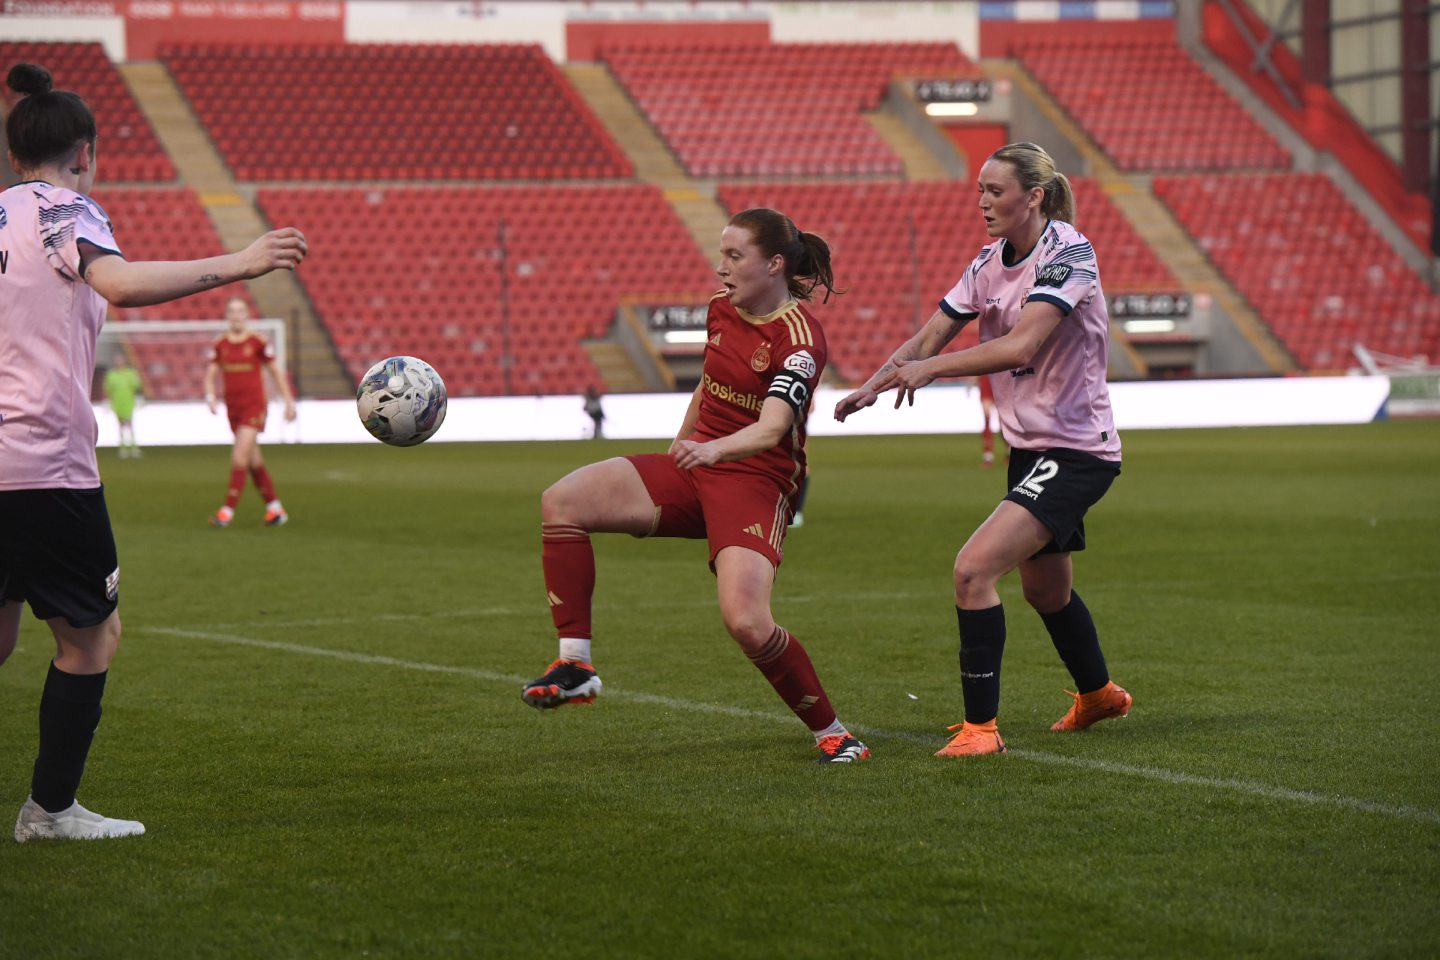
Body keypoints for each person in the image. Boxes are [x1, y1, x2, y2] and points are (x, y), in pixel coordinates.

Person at [1, 63, 307, 841]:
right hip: (44, 463)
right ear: (89, 152)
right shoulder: (67, 211)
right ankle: (51, 810)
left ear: (12, 157)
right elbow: (122, 285)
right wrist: (240, 263)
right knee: (92, 636)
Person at [523, 208, 868, 764]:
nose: (721, 267)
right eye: (721, 255)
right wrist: (681, 447)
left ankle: (834, 733)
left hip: (755, 481)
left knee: (748, 623)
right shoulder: (719, 310)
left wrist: (711, 451)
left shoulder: (800, 339)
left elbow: (773, 427)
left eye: (735, 257)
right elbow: (707, 387)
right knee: (563, 501)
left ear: (774, 263)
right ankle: (575, 664)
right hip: (695, 467)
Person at [835, 142, 1130, 757]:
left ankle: (981, 730)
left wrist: (935, 370)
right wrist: (875, 383)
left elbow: (1022, 346)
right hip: (1032, 450)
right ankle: (1099, 694)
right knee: (1046, 592)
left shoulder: (1068, 252)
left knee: (972, 570)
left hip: (1077, 450)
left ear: (1034, 197)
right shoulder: (988, 261)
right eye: (979, 190)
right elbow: (933, 332)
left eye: (994, 191)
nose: (982, 202)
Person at [203, 296, 296, 527]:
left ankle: (227, 511)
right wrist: (211, 397)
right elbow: (211, 374)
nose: (236, 315)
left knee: (239, 456)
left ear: (247, 315)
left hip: (254, 406)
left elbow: (275, 372)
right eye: (232, 311)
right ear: (227, 316)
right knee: (253, 461)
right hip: (232, 408)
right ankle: (275, 509)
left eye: (240, 311)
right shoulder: (220, 344)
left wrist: (288, 401)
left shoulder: (258, 342)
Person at [103, 352, 143, 458]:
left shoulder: (130, 373)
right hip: (117, 403)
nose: (119, 362)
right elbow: (108, 390)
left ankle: (133, 446)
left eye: (120, 360)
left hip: (128, 403)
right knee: (120, 425)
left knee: (130, 424)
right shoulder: (111, 375)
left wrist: (138, 399)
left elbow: (136, 386)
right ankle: (123, 447)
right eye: (117, 361)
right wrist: (108, 403)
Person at [976, 373, 999, 467]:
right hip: (986, 381)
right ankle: (988, 456)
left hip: (1000, 382)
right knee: (987, 419)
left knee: (1005, 423)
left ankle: (1010, 453)